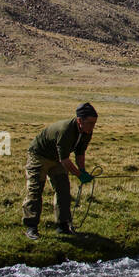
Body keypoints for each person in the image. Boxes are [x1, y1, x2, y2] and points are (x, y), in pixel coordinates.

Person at [22, 102, 98, 239]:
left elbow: (80, 153)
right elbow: (65, 161)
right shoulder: (66, 130)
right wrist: (79, 175)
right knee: (35, 189)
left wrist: (83, 170)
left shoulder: (87, 131)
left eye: (94, 123)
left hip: (57, 159)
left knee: (63, 189)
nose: (92, 126)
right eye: (90, 123)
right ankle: (31, 227)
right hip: (39, 156)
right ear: (80, 120)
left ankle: (63, 226)